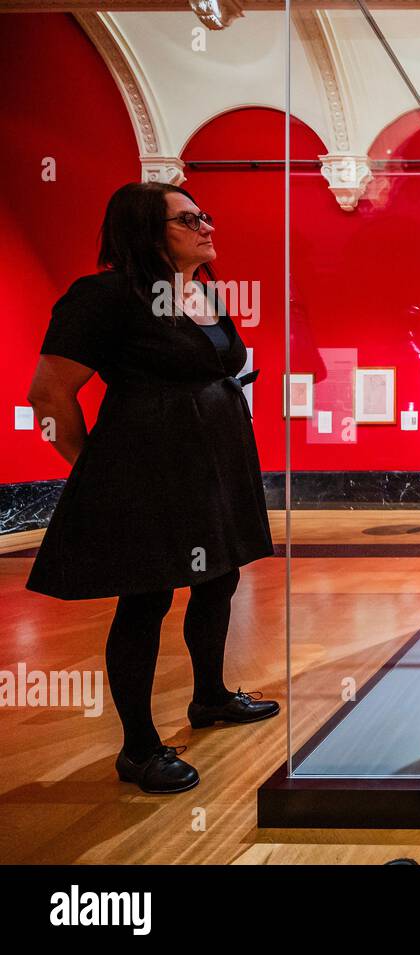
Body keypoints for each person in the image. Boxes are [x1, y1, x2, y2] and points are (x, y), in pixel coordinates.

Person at [25, 182, 279, 794]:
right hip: (146, 469)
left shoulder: (202, 290)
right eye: (190, 218)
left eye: (206, 215)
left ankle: (210, 697)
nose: (207, 226)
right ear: (145, 230)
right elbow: (49, 394)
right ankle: (138, 748)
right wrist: (94, 466)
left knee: (219, 577)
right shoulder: (104, 296)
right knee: (146, 600)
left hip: (212, 461)